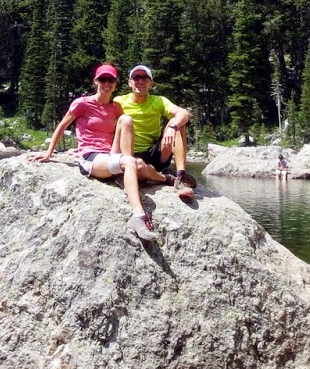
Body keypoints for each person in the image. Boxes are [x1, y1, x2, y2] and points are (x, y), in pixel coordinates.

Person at [31, 64, 160, 243]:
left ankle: (167, 179)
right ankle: (138, 216)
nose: (106, 83)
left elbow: (122, 131)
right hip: (91, 157)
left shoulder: (115, 107)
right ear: (95, 82)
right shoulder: (82, 103)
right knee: (131, 163)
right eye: (102, 79)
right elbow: (62, 126)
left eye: (110, 80)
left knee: (127, 123)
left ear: (115, 83)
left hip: (109, 154)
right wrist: (49, 153)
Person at [115, 64, 196, 200]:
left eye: (145, 78)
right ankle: (166, 178)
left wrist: (173, 127)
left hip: (155, 153)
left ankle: (181, 176)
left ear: (151, 84)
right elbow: (103, 123)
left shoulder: (158, 101)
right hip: (130, 155)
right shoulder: (119, 102)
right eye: (136, 78)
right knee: (137, 166)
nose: (140, 81)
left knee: (178, 122)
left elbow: (184, 113)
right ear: (130, 82)